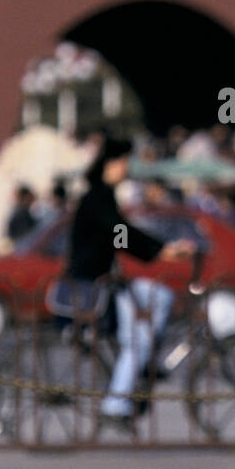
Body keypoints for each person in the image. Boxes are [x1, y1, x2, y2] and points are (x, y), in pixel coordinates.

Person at [64, 135, 195, 429]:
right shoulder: (96, 197)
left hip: (109, 281)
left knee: (161, 296)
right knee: (135, 342)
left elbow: (121, 234)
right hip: (95, 285)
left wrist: (159, 249)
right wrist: (162, 249)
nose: (126, 167)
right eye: (122, 161)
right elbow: (120, 230)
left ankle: (145, 364)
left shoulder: (103, 196)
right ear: (108, 165)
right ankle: (116, 403)